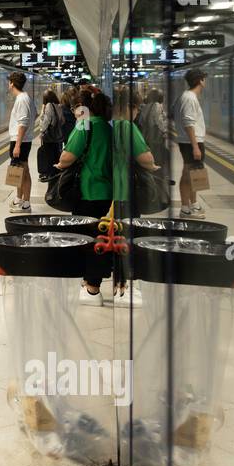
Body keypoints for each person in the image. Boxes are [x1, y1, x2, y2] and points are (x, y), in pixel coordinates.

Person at [56, 90, 158, 305]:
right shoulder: (108, 126)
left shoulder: (85, 125)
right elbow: (145, 159)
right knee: (118, 239)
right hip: (113, 192)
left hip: (90, 191)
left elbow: (67, 157)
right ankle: (120, 288)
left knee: (94, 243)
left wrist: (61, 161)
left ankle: (92, 288)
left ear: (82, 108)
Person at [111, 86, 159, 307]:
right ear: (129, 107)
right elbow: (145, 158)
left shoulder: (108, 125)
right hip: (127, 190)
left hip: (111, 190)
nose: (138, 112)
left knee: (115, 236)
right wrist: (153, 164)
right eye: (137, 108)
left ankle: (117, 283)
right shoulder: (128, 127)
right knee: (128, 238)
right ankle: (124, 287)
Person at [174, 69, 207, 218]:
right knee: (188, 174)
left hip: (192, 141)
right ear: (200, 80)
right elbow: (188, 123)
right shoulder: (189, 98)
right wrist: (195, 146)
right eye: (204, 79)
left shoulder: (189, 96)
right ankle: (185, 208)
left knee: (194, 173)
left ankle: (193, 204)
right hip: (190, 142)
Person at [6, 71, 34, 212]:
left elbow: (23, 122)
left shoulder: (22, 99)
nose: (8, 85)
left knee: (22, 171)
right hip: (22, 140)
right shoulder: (24, 98)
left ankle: (25, 203)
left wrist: (17, 145)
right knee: (21, 170)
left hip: (21, 141)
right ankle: (20, 200)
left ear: (12, 83)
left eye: (9, 82)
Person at [32, 89, 64, 181]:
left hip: (49, 136)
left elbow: (46, 121)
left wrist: (42, 131)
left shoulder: (49, 106)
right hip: (57, 135)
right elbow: (62, 121)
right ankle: (54, 173)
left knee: (48, 154)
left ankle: (49, 173)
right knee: (55, 153)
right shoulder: (59, 106)